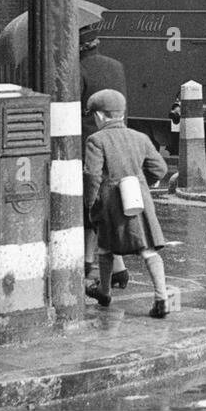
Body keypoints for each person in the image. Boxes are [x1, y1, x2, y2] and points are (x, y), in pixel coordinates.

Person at [82, 88, 170, 317]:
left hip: (111, 203)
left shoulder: (96, 140)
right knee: (148, 249)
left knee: (106, 248)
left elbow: (92, 175)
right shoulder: (140, 138)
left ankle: (104, 292)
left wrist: (90, 202)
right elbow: (160, 169)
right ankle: (162, 297)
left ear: (100, 116)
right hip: (138, 200)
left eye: (94, 115)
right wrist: (140, 183)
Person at [78, 34, 129, 297]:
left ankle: (92, 266)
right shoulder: (116, 66)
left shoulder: (77, 70)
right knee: (105, 208)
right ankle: (113, 268)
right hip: (117, 144)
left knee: (90, 208)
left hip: (89, 147)